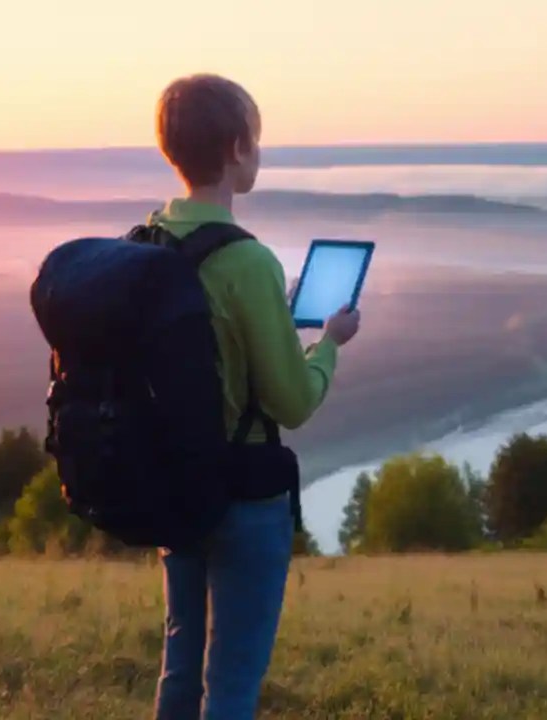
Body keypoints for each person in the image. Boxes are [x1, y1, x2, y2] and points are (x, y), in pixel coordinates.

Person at [149, 73, 360, 720]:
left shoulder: (151, 240)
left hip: (172, 486)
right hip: (242, 498)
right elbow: (292, 402)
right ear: (239, 147)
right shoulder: (248, 262)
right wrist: (328, 343)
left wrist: (274, 319)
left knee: (181, 664)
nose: (260, 154)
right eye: (258, 141)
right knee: (233, 684)